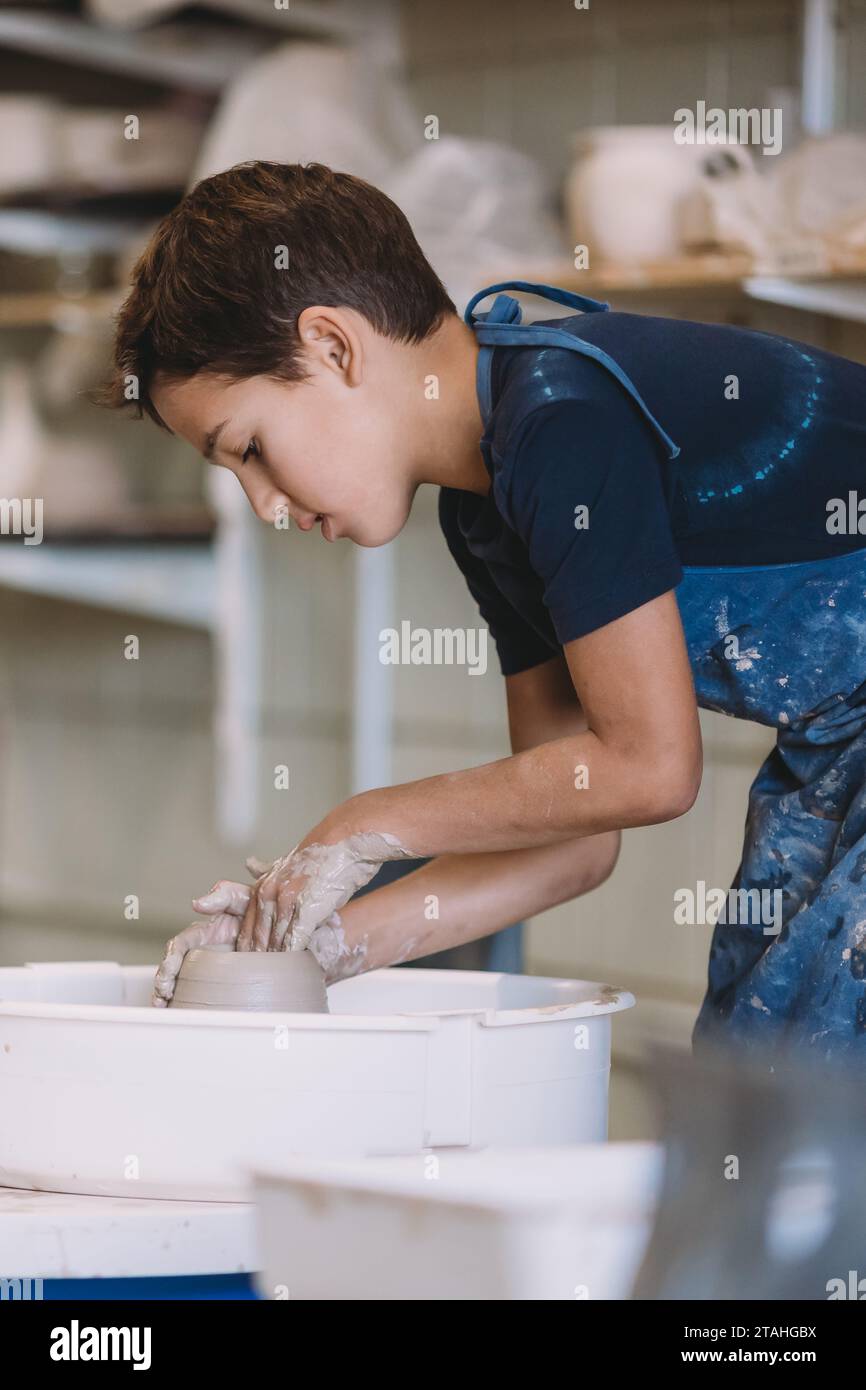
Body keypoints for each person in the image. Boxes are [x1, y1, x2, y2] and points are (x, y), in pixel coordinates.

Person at [105, 161, 866, 1059]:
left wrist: (359, 827)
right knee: (765, 1072)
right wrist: (321, 947)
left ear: (333, 346)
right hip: (837, 747)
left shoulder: (560, 421)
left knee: (813, 1093)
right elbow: (578, 841)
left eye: (253, 449)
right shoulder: (487, 509)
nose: (266, 506)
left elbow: (652, 769)